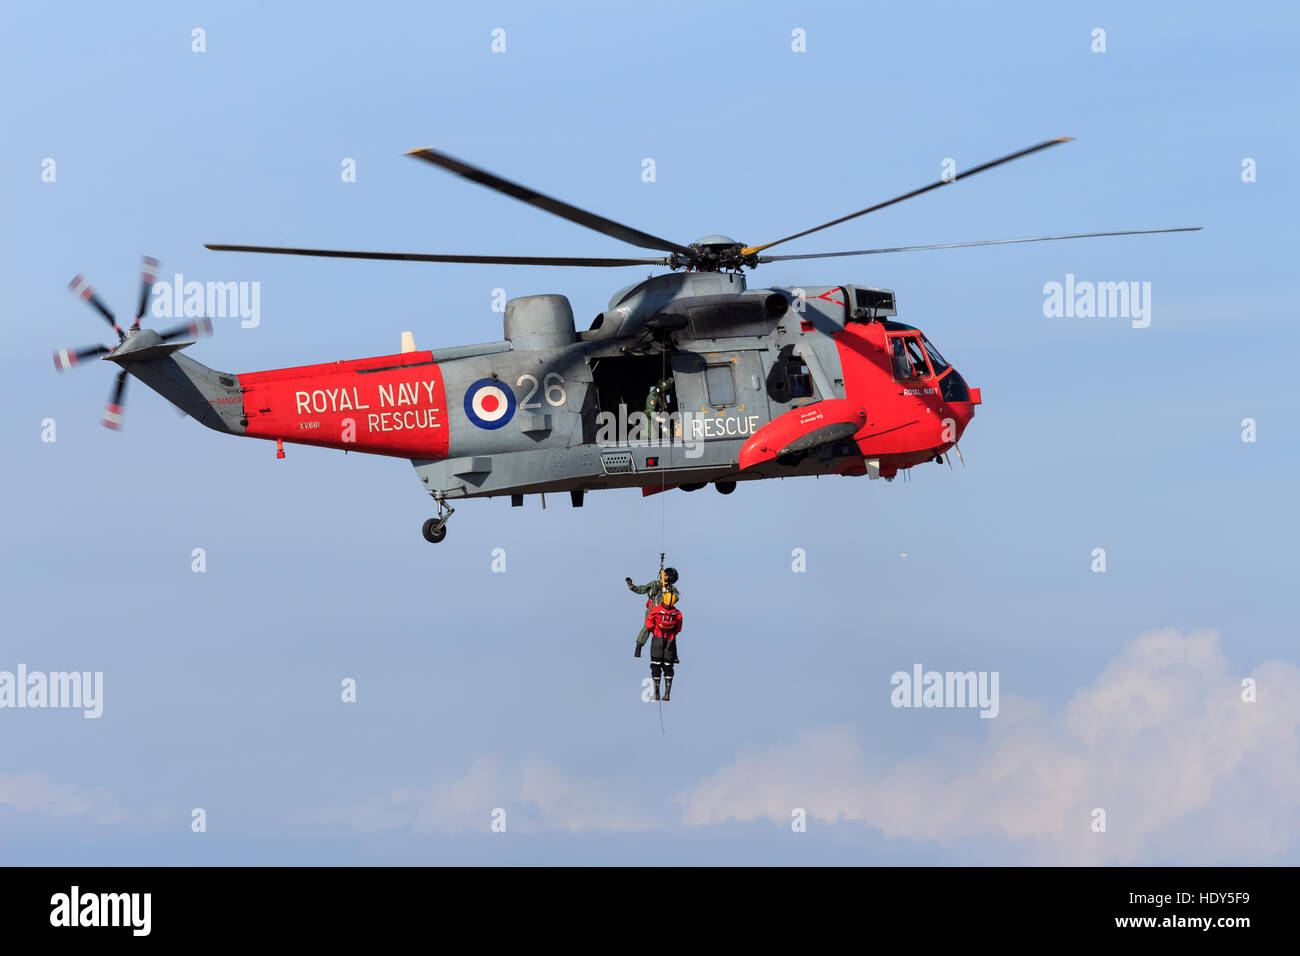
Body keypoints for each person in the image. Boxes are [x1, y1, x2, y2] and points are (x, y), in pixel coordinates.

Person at [627, 567, 679, 656]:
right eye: (663, 574)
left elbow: (676, 598)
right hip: (653, 610)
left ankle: (673, 654)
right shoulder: (655, 584)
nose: (663, 576)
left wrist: (666, 594)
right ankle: (639, 646)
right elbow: (641, 589)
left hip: (665, 613)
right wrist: (632, 587)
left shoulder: (672, 590)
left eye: (665, 575)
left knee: (671, 632)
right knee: (647, 627)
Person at [645, 588, 683, 701]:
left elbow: (649, 623)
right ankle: (667, 694)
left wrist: (655, 631)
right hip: (670, 641)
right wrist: (671, 633)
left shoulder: (656, 610)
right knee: (668, 667)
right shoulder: (677, 614)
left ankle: (656, 694)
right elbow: (679, 628)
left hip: (657, 639)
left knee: (656, 666)